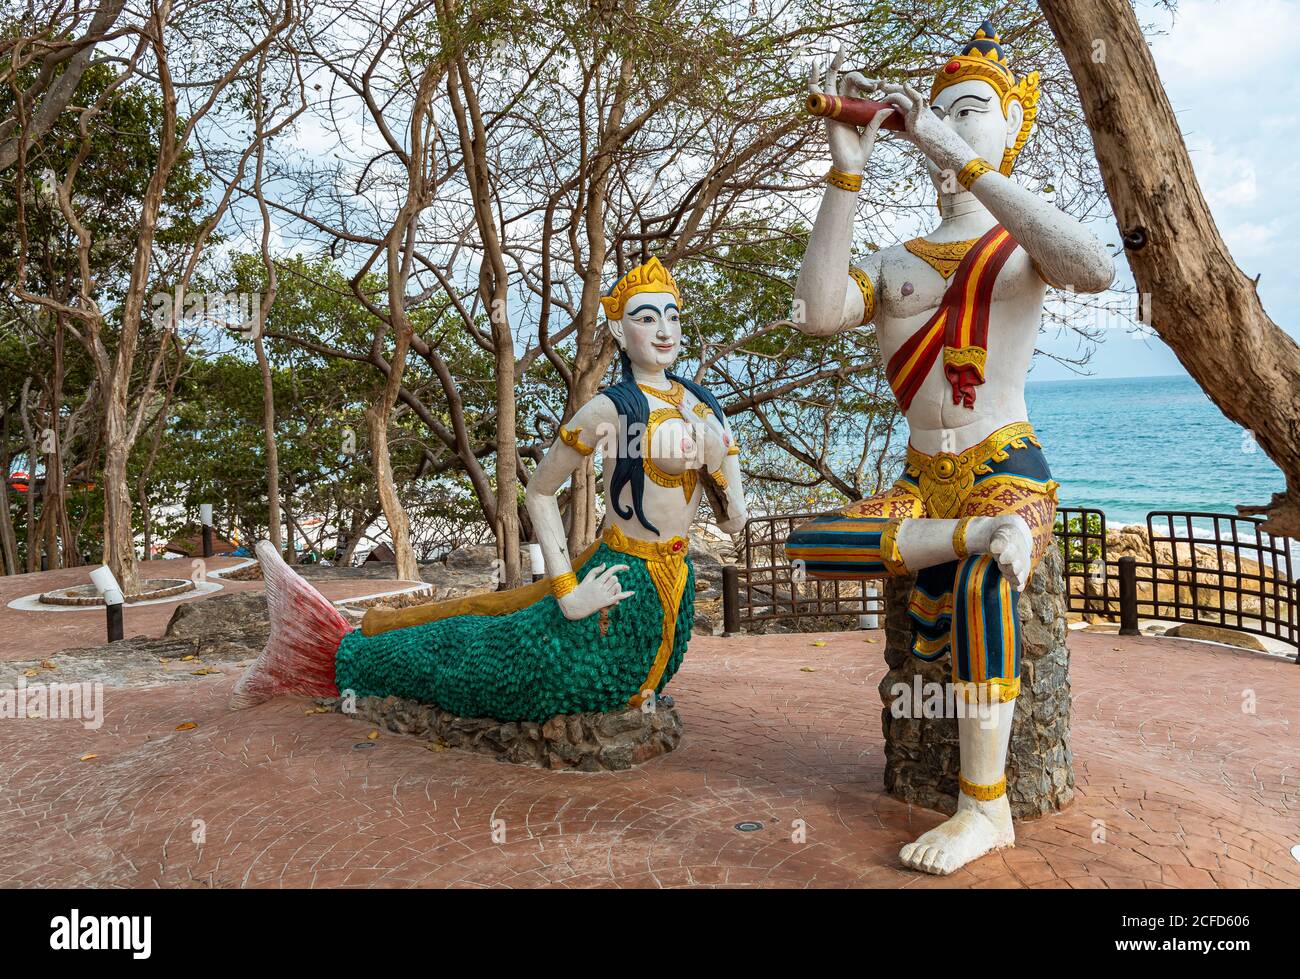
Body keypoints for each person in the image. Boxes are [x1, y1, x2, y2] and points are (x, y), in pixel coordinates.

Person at [785, 21, 1113, 875]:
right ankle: (970, 537)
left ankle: (985, 806)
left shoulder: (1018, 248)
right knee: (813, 538)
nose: (948, 122)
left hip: (1004, 467)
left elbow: (1094, 267)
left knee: (981, 583)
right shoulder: (896, 257)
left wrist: (954, 152)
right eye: (940, 110)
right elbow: (819, 311)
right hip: (922, 481)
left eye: (972, 110)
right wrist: (848, 165)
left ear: (1012, 126)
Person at [229, 258, 748, 723]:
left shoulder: (705, 407)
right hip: (616, 577)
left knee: (624, 680)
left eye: (673, 316)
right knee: (522, 665)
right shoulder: (611, 409)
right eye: (646, 317)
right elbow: (540, 492)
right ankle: (346, 654)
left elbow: (733, 521)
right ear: (618, 327)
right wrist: (569, 594)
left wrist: (717, 459)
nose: (663, 331)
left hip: (673, 586)